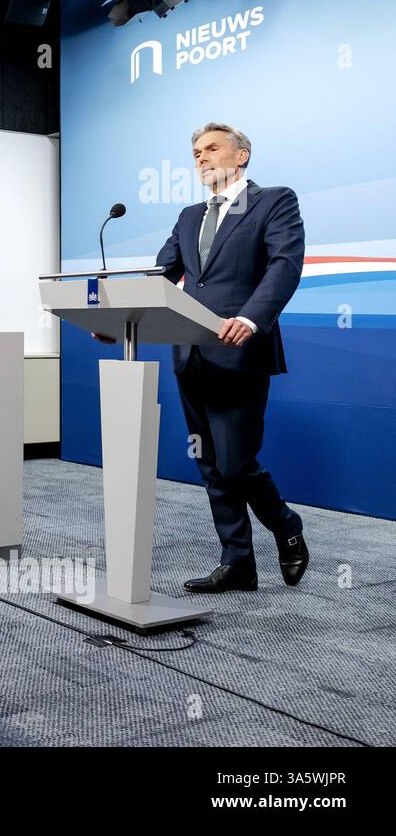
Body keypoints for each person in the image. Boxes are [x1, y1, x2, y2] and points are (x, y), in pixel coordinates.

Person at [149, 122, 307, 594]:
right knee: (210, 463)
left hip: (240, 350)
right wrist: (115, 313)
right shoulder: (188, 215)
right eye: (196, 151)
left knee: (236, 463)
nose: (201, 157)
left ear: (241, 156)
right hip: (190, 354)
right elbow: (161, 274)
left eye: (212, 148)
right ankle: (237, 561)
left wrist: (253, 318)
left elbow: (285, 264)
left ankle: (285, 524)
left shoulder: (274, 201)